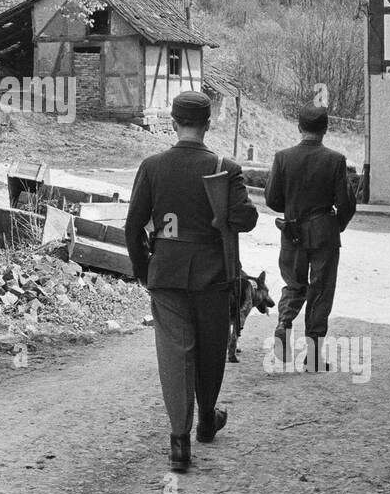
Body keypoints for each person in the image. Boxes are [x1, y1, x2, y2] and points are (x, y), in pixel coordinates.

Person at [125, 91, 259, 473]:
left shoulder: (152, 166)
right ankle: (206, 421)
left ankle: (179, 440)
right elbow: (247, 220)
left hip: (166, 273)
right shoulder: (225, 167)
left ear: (172, 122)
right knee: (211, 351)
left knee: (175, 354)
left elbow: (133, 227)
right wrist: (224, 217)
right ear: (208, 124)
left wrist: (143, 270)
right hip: (213, 275)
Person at [265, 104, 356, 372]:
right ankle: (313, 358)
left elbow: (272, 199)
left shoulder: (283, 158)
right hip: (323, 234)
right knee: (320, 292)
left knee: (293, 284)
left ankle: (284, 322)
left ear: (299, 128)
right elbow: (347, 203)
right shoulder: (335, 160)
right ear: (325, 130)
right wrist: (334, 225)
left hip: (291, 231)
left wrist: (292, 207)